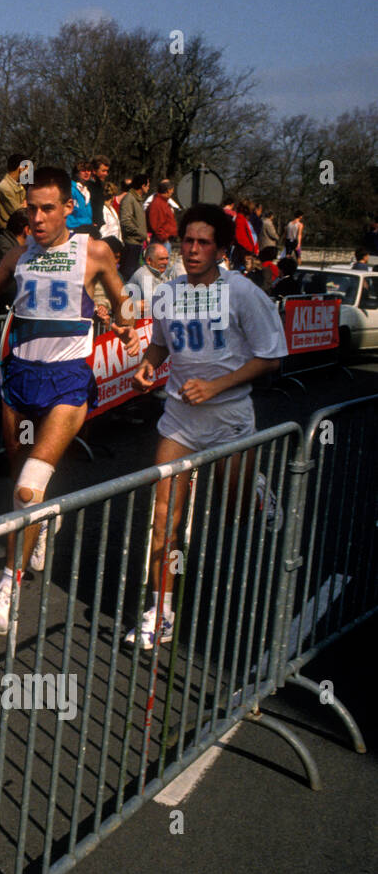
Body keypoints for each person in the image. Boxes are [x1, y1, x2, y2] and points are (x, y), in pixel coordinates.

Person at [0, 167, 138, 636]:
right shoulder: (18, 255)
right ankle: (43, 522)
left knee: (28, 488)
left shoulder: (92, 251)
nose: (36, 217)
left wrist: (127, 325)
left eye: (47, 208)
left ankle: (5, 593)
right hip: (20, 379)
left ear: (68, 208)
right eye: (31, 208)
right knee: (21, 483)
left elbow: (123, 301)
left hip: (68, 382)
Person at [127, 204, 288, 649]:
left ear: (221, 249)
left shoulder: (242, 293)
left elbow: (271, 357)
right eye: (187, 242)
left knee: (233, 509)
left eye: (203, 243)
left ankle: (254, 489)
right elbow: (159, 346)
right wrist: (147, 368)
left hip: (230, 416)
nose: (192, 250)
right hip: (179, 419)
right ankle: (161, 610)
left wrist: (217, 385)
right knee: (164, 519)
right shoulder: (167, 293)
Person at [126, 242, 178, 321]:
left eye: (167, 258)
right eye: (161, 259)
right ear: (149, 260)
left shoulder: (161, 274)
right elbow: (154, 304)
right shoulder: (144, 275)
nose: (165, 262)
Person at [119, 174, 150, 278]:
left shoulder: (137, 200)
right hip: (131, 244)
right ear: (142, 185)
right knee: (128, 276)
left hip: (138, 243)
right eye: (148, 185)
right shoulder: (129, 199)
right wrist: (141, 233)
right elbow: (125, 222)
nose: (149, 188)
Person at [147, 179, 178, 251]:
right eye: (172, 190)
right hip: (161, 242)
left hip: (164, 240)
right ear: (168, 190)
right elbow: (155, 224)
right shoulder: (157, 204)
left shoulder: (163, 203)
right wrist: (163, 238)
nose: (172, 192)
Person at [67, 161, 93, 234]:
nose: (87, 173)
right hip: (72, 230)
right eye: (83, 170)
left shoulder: (87, 191)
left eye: (88, 170)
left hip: (87, 230)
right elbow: (68, 215)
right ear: (76, 173)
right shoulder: (70, 189)